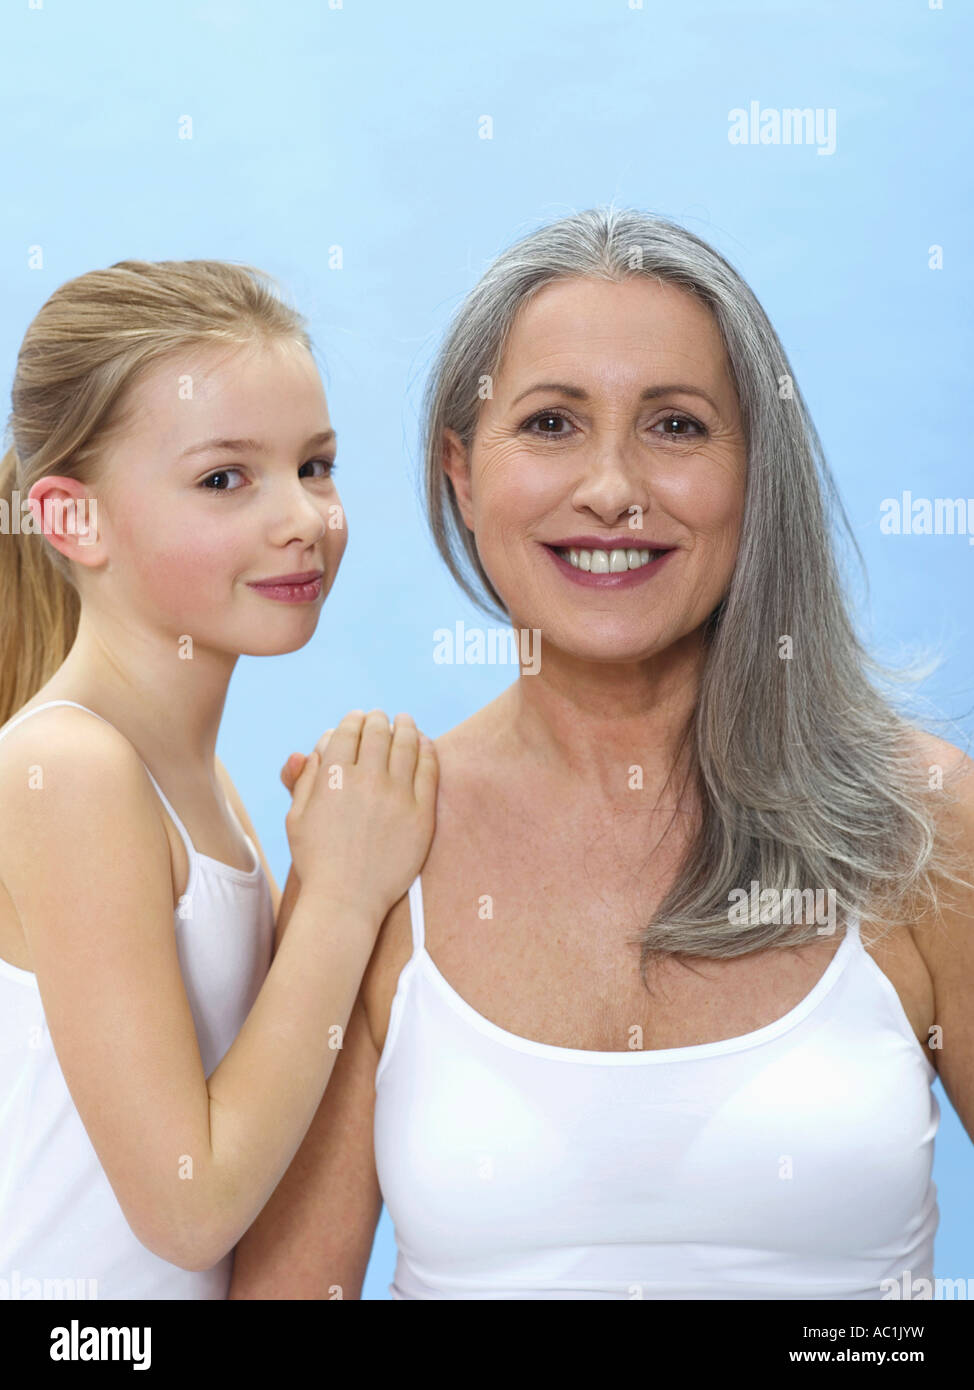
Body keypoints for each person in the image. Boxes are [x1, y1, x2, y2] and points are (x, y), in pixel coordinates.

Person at [228, 208, 974, 1301]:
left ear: (753, 468)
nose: (613, 488)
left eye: (674, 427)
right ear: (462, 474)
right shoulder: (374, 842)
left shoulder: (925, 817)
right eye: (549, 425)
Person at [0, 259, 437, 1299]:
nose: (302, 518)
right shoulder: (68, 768)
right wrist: (336, 895)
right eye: (224, 479)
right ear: (73, 521)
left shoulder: (205, 791)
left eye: (316, 465)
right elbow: (187, 1207)